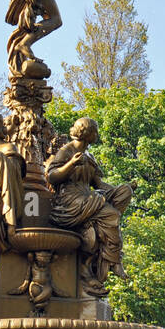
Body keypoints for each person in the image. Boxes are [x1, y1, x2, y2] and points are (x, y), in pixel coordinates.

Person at [45, 117, 133, 294]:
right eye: (95, 131)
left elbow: (99, 184)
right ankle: (114, 259)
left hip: (88, 196)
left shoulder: (90, 157)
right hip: (70, 199)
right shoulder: (67, 151)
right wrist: (71, 164)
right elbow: (51, 176)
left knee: (125, 191)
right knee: (112, 215)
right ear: (86, 132)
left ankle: (95, 225)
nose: (97, 135)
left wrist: (122, 189)